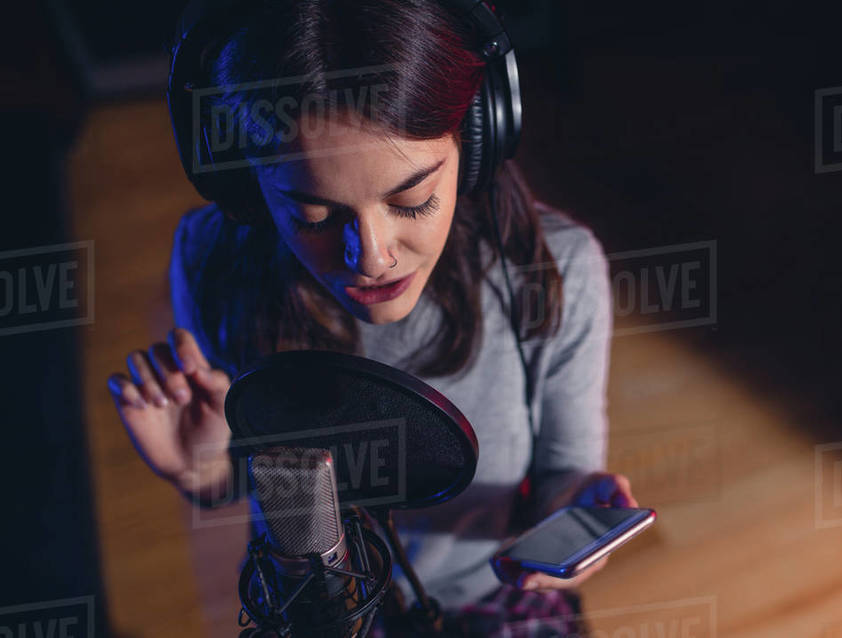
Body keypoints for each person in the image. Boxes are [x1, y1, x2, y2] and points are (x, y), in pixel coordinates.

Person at [103, 0, 638, 634]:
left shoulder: (556, 270)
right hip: (316, 604)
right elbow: (258, 485)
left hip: (493, 596)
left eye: (413, 200)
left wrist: (573, 510)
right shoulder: (211, 260)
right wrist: (204, 471)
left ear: (477, 135)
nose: (372, 258)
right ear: (244, 183)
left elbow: (562, 475)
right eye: (313, 217)